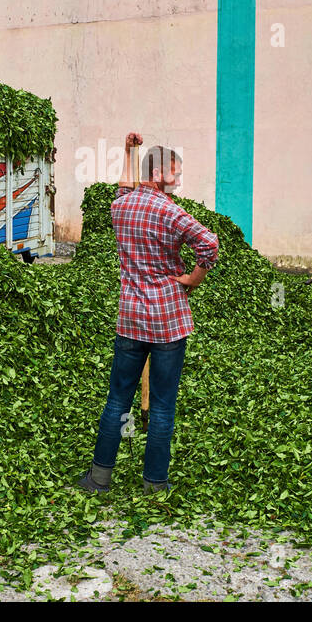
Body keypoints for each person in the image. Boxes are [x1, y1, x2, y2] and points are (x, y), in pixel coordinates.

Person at [76, 132, 219, 494]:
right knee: (162, 405)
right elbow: (210, 243)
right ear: (157, 174)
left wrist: (127, 152)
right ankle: (155, 482)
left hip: (131, 318)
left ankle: (99, 478)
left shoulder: (120, 206)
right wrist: (194, 278)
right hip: (168, 321)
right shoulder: (170, 211)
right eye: (176, 172)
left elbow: (126, 186)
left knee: (117, 400)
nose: (180, 179)